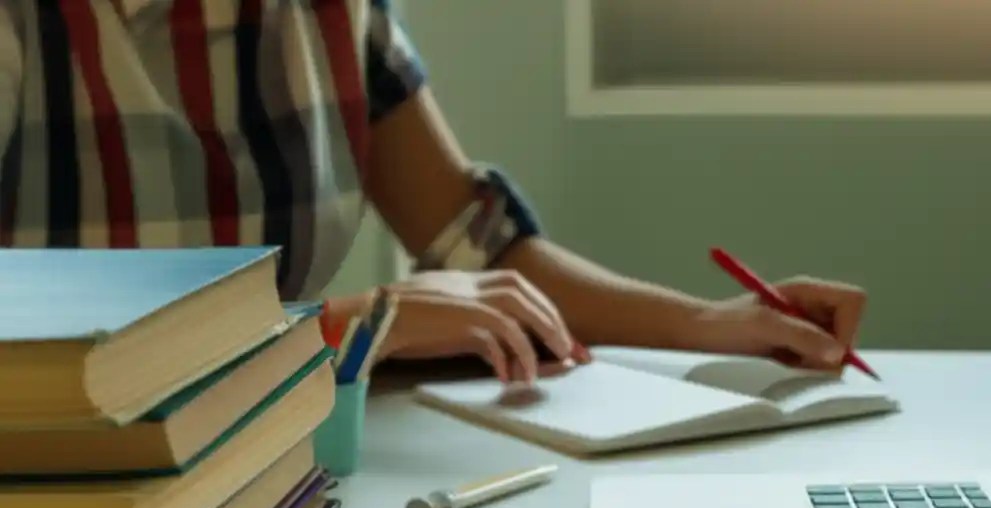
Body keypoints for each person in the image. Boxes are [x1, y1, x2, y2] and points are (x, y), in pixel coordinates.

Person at [0, 0, 869, 385]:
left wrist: (710, 324)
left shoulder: (335, 15)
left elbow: (480, 249)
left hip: (284, 478)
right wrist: (346, 324)